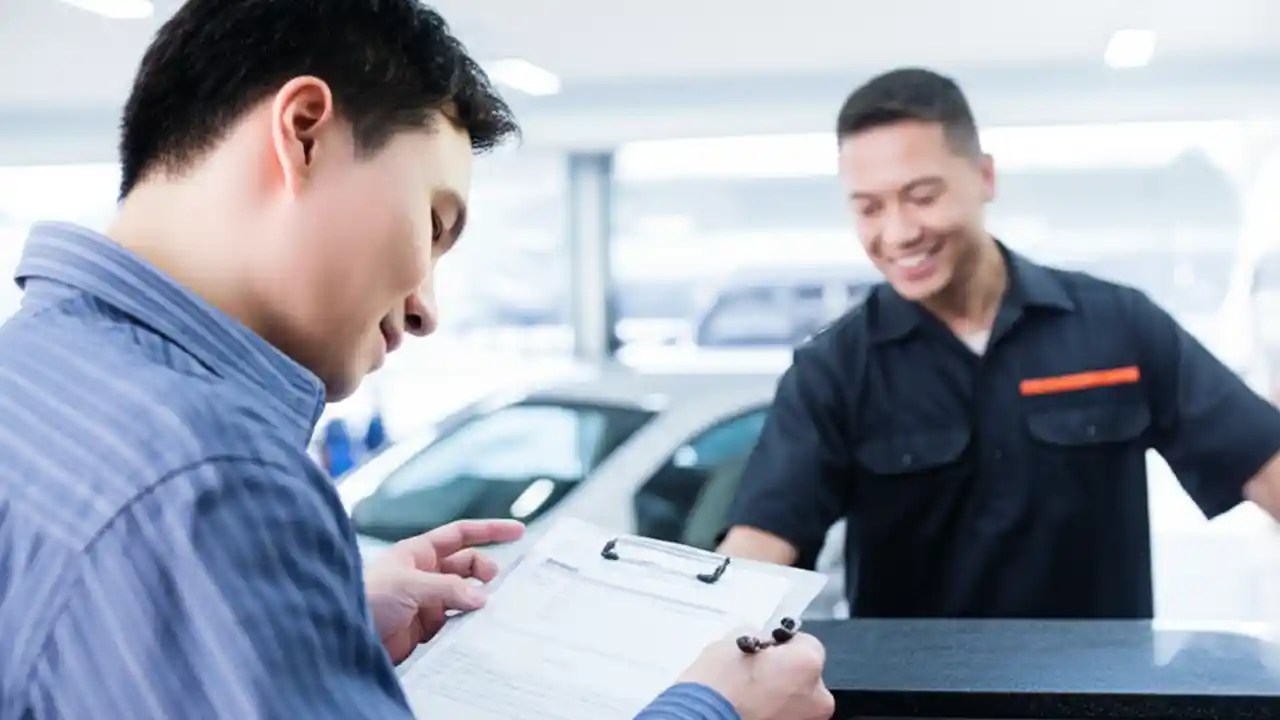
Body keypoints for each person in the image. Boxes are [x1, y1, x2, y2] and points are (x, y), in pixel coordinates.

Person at [0, 2, 832, 719]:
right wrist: (713, 706)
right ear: (304, 134)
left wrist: (313, 631)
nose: (427, 307)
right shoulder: (212, 473)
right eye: (434, 226)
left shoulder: (37, 378)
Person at [719, 67, 1280, 620]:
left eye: (921, 196)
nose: (897, 233)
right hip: (914, 705)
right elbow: (761, 545)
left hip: (1095, 700)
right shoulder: (835, 369)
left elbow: (1264, 464)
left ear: (985, 177)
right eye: (869, 208)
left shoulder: (1118, 326)